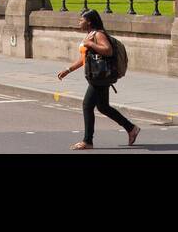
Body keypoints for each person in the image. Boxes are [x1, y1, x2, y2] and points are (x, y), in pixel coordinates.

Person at [57, 9, 139, 150]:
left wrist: (91, 44)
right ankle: (131, 128)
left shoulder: (98, 34)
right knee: (103, 107)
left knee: (87, 106)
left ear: (89, 22)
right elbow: (84, 59)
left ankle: (87, 141)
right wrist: (68, 70)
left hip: (100, 77)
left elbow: (108, 50)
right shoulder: (90, 35)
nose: (79, 22)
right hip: (97, 76)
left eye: (81, 20)